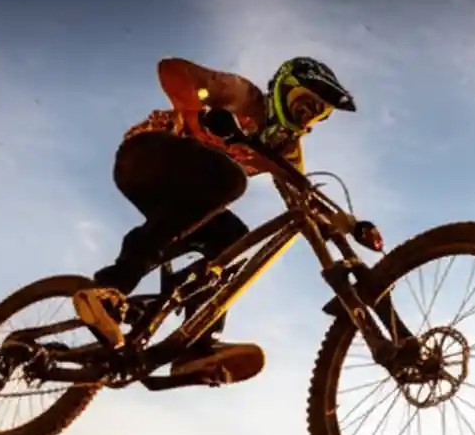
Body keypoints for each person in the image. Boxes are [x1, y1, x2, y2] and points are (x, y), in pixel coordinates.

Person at [73, 56, 357, 385]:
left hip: (192, 192)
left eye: (320, 112)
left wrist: (341, 224)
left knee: (234, 241)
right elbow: (173, 70)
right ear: (285, 88)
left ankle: (194, 346)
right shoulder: (245, 97)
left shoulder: (286, 148)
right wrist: (191, 116)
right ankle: (111, 286)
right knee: (229, 178)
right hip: (146, 157)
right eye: (308, 101)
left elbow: (301, 201)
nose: (311, 113)